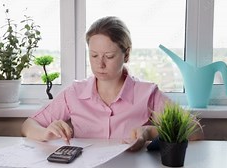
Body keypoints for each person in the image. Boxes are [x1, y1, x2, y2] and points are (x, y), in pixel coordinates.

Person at [21, 16, 174, 151]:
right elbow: (28, 125)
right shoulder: (75, 92)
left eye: (109, 56)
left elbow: (195, 131)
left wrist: (150, 132)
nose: (100, 64)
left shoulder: (147, 93)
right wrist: (45, 133)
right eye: (94, 55)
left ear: (126, 54)